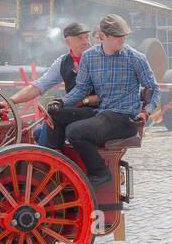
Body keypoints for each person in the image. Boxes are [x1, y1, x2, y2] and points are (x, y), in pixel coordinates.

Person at [46, 14, 159, 187]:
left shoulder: (136, 58)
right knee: (56, 113)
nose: (122, 40)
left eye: (124, 36)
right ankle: (53, 165)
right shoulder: (89, 57)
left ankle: (100, 173)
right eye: (117, 37)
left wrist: (146, 112)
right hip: (102, 113)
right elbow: (81, 89)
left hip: (124, 118)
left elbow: (153, 88)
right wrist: (61, 102)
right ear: (102, 36)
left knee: (75, 131)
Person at [10, 22, 95, 143]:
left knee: (56, 114)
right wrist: (10, 101)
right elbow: (39, 85)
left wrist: (84, 100)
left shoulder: (98, 60)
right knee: (37, 133)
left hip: (95, 110)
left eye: (87, 37)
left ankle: (44, 153)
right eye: (80, 38)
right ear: (68, 42)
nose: (86, 42)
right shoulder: (63, 62)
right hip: (73, 109)